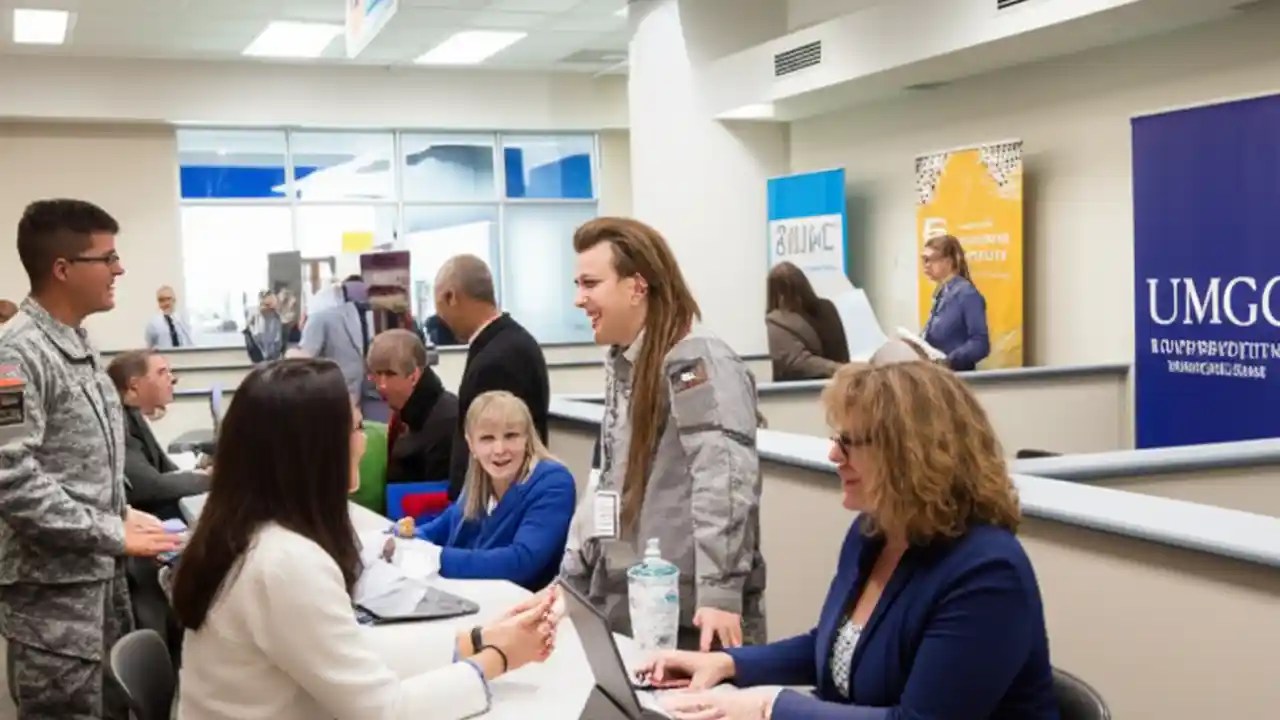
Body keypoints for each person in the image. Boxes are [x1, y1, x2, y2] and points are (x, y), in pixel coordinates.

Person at [645, 359, 1059, 720]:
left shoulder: (987, 573)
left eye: (849, 442)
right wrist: (723, 663)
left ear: (911, 456)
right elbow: (830, 646)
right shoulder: (873, 533)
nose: (834, 456)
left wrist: (770, 707)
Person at [172, 359, 560, 720]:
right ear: (316, 451)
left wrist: (478, 639)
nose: (365, 442)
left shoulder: (249, 534)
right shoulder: (286, 563)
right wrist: (499, 657)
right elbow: (385, 711)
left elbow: (349, 656)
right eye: (358, 428)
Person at [0, 198, 182, 718]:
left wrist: (119, 512)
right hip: (53, 605)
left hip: (96, 584)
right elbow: (12, 481)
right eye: (107, 258)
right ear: (63, 269)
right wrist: (110, 530)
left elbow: (75, 463)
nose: (119, 268)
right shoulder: (14, 356)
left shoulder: (77, 344)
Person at [563, 217, 767, 652]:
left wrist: (719, 592)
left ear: (637, 287)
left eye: (590, 283)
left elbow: (724, 481)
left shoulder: (698, 361)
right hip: (635, 603)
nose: (579, 299)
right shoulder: (627, 366)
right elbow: (606, 480)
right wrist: (572, 576)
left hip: (694, 616)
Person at [395, 390, 575, 592]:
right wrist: (402, 539)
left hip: (525, 610)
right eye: (487, 438)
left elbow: (522, 562)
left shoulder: (553, 481)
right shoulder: (479, 481)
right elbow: (440, 528)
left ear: (528, 438)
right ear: (471, 444)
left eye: (511, 436)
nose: (499, 449)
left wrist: (435, 558)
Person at [434, 255, 550, 501]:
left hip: (497, 507)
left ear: (451, 297)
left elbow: (496, 452)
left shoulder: (498, 359)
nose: (439, 319)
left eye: (439, 306)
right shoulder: (509, 343)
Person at [107, 349, 211, 521]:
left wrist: (200, 475)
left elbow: (166, 469)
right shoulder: (117, 421)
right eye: (162, 373)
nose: (173, 379)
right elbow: (150, 487)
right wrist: (213, 479)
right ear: (134, 385)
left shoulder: (134, 414)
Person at [292, 275, 390, 423]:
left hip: (377, 400)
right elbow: (303, 362)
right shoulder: (321, 317)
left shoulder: (385, 316)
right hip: (338, 400)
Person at [366, 329, 457, 485]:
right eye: (376, 374)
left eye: (390, 374)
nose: (381, 386)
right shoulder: (405, 415)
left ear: (414, 376)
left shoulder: (445, 422)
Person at [764, 261, 850, 381]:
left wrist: (837, 369)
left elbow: (797, 361)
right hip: (839, 385)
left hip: (798, 394)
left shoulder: (777, 321)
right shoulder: (827, 308)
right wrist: (843, 370)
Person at [921, 234, 990, 371]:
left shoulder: (967, 294)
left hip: (958, 378)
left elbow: (980, 344)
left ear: (949, 261)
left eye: (930, 259)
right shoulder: (941, 293)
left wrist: (949, 360)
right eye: (924, 260)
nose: (926, 265)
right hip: (939, 376)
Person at [144, 284, 195, 349]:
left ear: (174, 300)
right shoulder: (153, 324)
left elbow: (191, 343)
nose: (166, 303)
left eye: (168, 299)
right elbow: (149, 347)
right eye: (161, 300)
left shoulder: (182, 321)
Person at [244, 290, 286, 363]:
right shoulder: (254, 315)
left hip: (272, 357)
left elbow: (278, 340)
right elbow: (253, 337)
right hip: (258, 356)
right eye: (265, 304)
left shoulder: (275, 317)